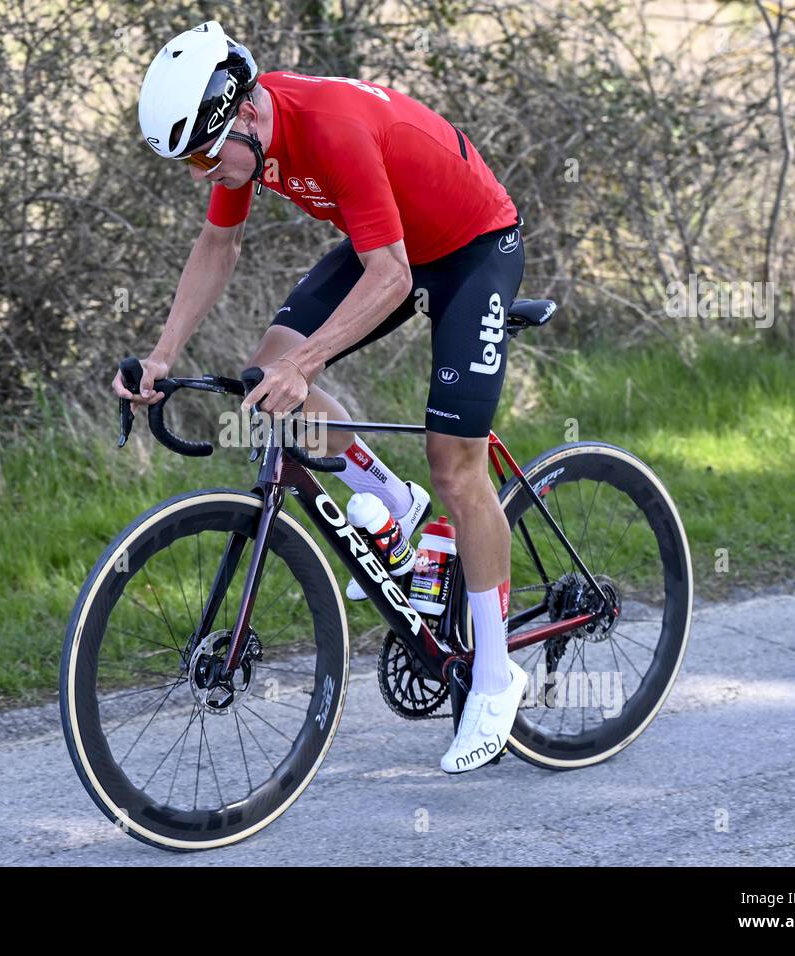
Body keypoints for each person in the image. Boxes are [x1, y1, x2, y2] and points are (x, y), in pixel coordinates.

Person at [114, 20, 528, 774]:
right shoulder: (246, 146)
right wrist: (161, 355)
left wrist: (308, 361)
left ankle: (498, 679)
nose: (201, 174)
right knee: (264, 372)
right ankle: (392, 501)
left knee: (456, 468)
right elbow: (218, 246)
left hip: (472, 247)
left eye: (205, 156)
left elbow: (393, 278)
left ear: (241, 112)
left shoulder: (329, 128)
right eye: (188, 162)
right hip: (397, 242)